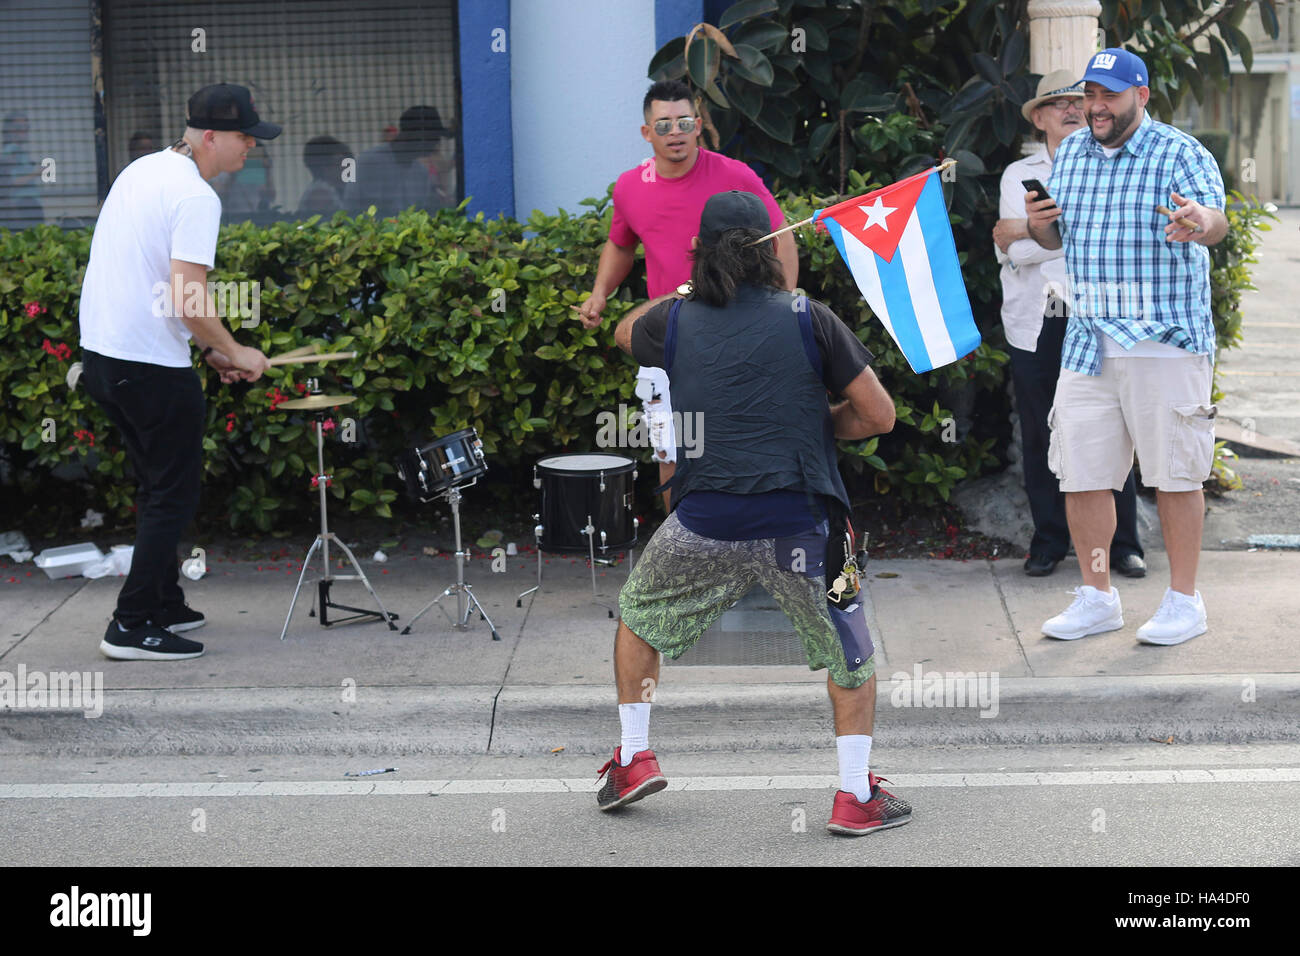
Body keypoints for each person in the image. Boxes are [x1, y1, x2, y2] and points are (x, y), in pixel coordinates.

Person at [597, 190, 911, 836]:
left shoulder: (675, 321)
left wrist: (689, 282)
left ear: (699, 252)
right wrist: (821, 425)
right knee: (849, 650)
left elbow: (625, 328)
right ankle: (854, 796)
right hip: (803, 521)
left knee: (638, 617)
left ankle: (633, 756)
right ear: (773, 250)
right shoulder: (809, 317)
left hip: (703, 520)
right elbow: (880, 415)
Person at [1026, 49, 1228, 646]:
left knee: (1175, 475)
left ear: (1141, 95)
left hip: (1164, 339)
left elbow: (1216, 223)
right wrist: (1040, 222)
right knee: (1081, 473)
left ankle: (1185, 602)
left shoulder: (1180, 152)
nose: (1094, 107)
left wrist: (1199, 220)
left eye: (1109, 95)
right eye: (1089, 94)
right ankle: (1096, 596)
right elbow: (1055, 235)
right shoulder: (1074, 155)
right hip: (1089, 341)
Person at [79, 83, 276, 661]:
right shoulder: (195, 197)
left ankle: (164, 600)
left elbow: (147, 285)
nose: (250, 150)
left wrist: (209, 350)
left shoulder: (142, 170)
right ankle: (131, 624)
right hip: (148, 370)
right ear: (211, 136)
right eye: (244, 138)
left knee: (154, 486)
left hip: (104, 358)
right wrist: (237, 351)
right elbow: (189, 298)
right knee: (172, 493)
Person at [577, 80, 799, 512]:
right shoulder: (629, 187)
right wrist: (599, 295)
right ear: (647, 133)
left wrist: (783, 303)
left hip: (737, 329)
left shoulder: (735, 175)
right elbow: (621, 244)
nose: (674, 133)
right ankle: (680, 560)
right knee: (670, 453)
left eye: (683, 122)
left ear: (698, 125)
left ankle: (746, 550)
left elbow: (782, 236)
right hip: (670, 336)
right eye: (663, 125)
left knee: (742, 446)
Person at [994, 71, 1145, 579]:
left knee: (1112, 427)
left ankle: (1123, 544)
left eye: (1080, 101)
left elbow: (1116, 238)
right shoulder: (1019, 174)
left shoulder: (1110, 166)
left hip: (1098, 314)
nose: (1072, 109)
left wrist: (1035, 229)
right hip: (1037, 318)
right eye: (1057, 103)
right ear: (1038, 118)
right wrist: (1050, 234)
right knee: (1040, 431)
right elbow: (1013, 248)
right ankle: (1049, 541)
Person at [351, 105, 454, 216]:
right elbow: (351, 208)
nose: (436, 143)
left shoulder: (421, 172)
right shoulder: (370, 162)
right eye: (433, 137)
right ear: (416, 135)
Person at [0, 111, 44, 229]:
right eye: (19, 127)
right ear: (9, 130)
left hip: (27, 204)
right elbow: (9, 182)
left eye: (26, 127)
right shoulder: (11, 151)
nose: (24, 131)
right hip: (23, 204)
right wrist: (37, 172)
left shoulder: (18, 151)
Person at [296, 135, 353, 218]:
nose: (346, 165)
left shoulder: (336, 190)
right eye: (340, 160)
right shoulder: (320, 195)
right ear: (324, 166)